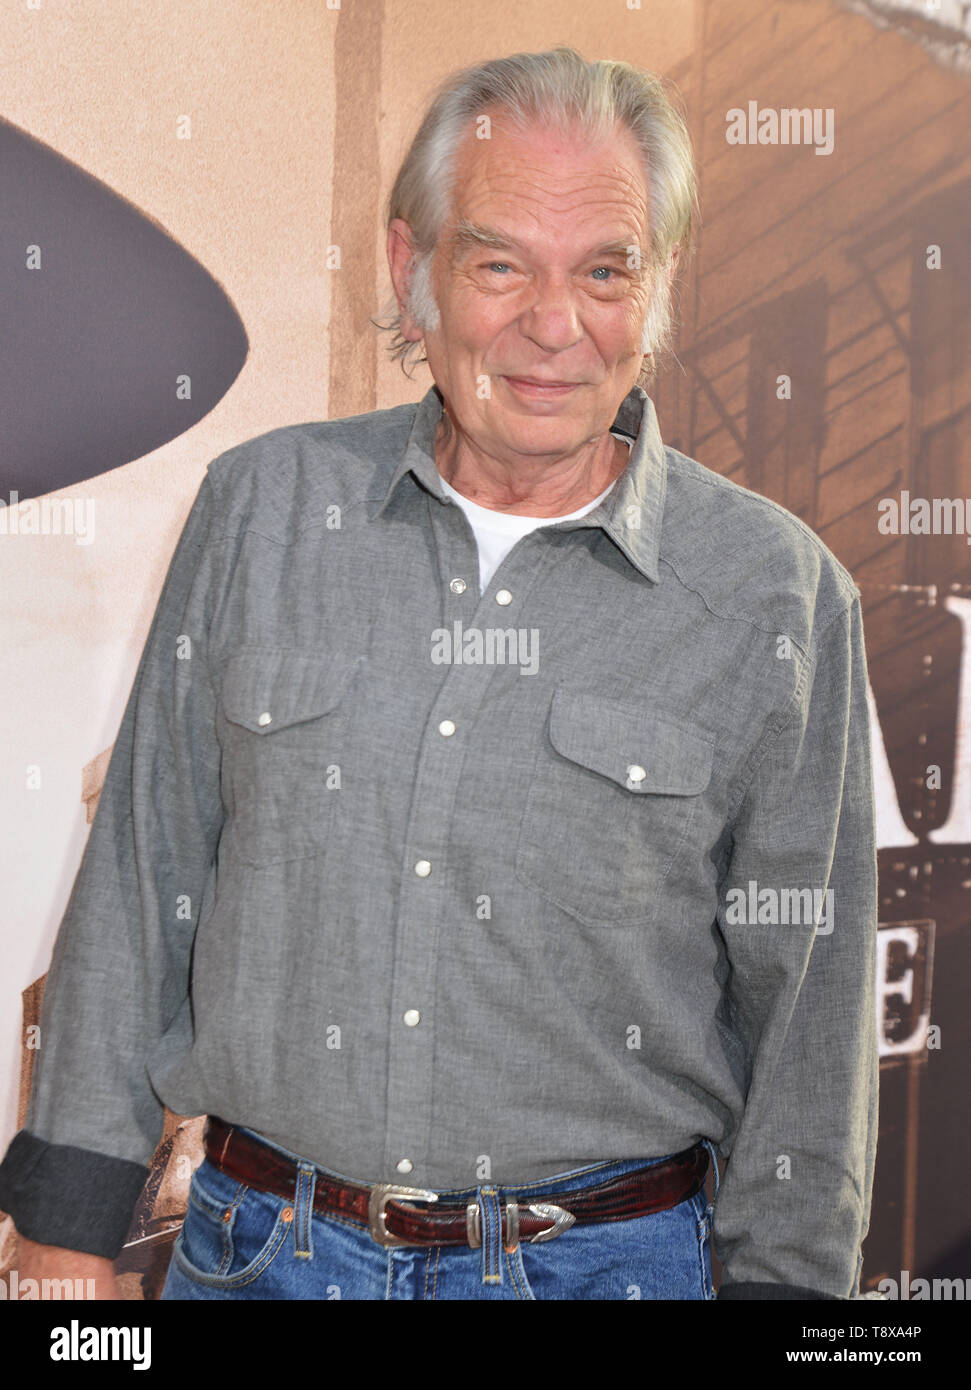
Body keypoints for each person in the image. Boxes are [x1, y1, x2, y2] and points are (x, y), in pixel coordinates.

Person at [0, 46, 878, 1301]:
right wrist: (66, 1230)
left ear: (658, 291)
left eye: (605, 271)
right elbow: (143, 884)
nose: (552, 326)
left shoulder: (774, 596)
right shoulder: (260, 511)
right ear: (412, 272)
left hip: (607, 1273)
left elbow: (811, 1013)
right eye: (499, 261)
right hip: (259, 1261)